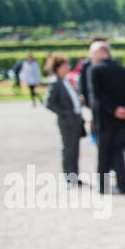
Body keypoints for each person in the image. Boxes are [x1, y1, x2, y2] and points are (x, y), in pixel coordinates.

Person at [81, 40, 125, 194]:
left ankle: (103, 185)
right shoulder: (122, 69)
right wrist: (124, 109)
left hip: (104, 119)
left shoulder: (94, 70)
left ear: (101, 53)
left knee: (103, 153)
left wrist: (113, 109)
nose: (91, 56)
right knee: (119, 152)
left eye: (92, 53)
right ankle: (122, 184)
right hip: (121, 119)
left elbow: (96, 95)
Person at [43, 54, 86, 185]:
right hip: (67, 120)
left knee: (75, 149)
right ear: (58, 67)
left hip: (76, 118)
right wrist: (63, 112)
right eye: (64, 65)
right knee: (68, 149)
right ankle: (69, 177)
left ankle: (74, 176)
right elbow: (49, 102)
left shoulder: (67, 81)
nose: (67, 67)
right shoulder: (55, 82)